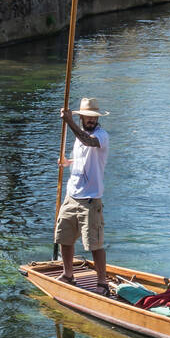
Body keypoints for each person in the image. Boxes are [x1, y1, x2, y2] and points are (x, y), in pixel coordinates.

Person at [55, 97, 111, 293]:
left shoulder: (101, 136)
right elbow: (82, 158)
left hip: (90, 200)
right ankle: (68, 275)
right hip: (72, 197)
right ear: (82, 117)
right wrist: (66, 162)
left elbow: (88, 141)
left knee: (94, 244)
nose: (91, 120)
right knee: (64, 237)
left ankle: (102, 283)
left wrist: (69, 121)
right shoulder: (78, 137)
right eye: (87, 117)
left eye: (94, 117)